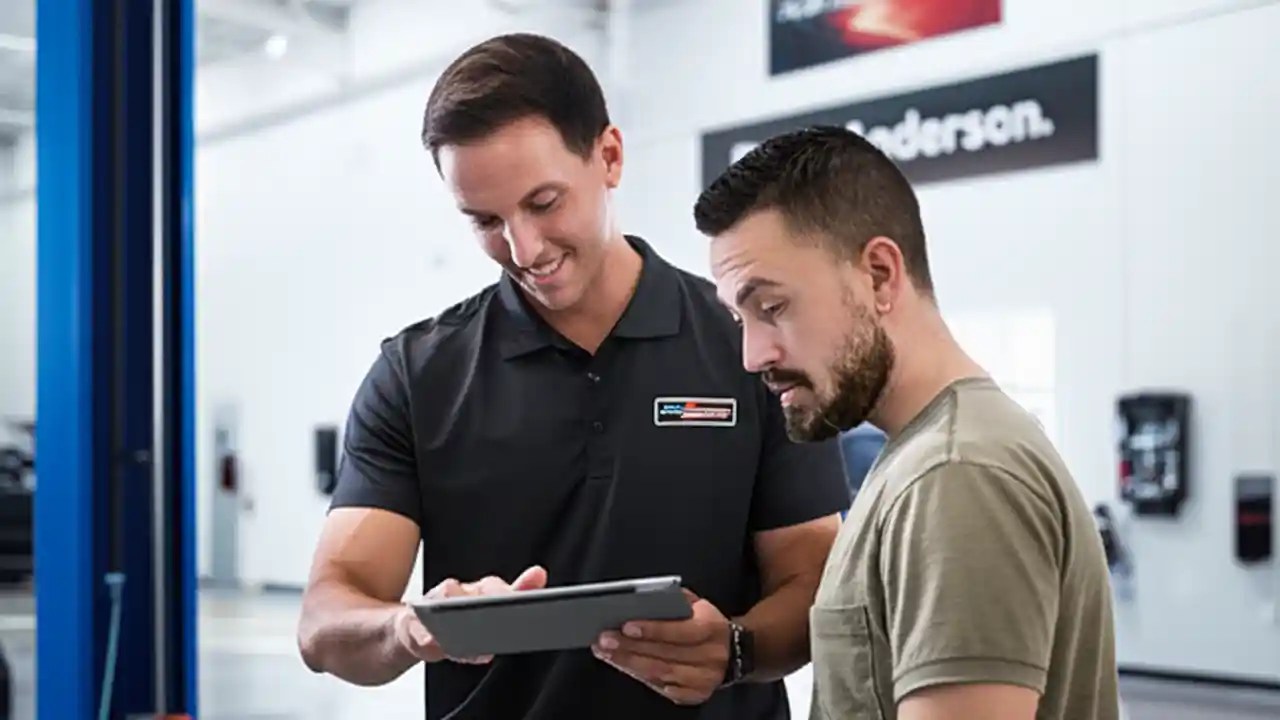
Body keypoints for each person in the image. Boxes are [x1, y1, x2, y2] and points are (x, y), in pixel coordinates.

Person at [295, 34, 851, 720]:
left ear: (610, 157)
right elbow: (325, 620)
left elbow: (815, 579)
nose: (523, 249)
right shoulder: (415, 376)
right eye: (485, 221)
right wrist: (407, 628)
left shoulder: (749, 344)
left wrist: (736, 648)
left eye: (544, 202)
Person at [691, 125, 1120, 720]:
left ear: (880, 275)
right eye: (742, 321)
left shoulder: (956, 473)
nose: (753, 355)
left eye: (772, 308)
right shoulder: (930, 455)